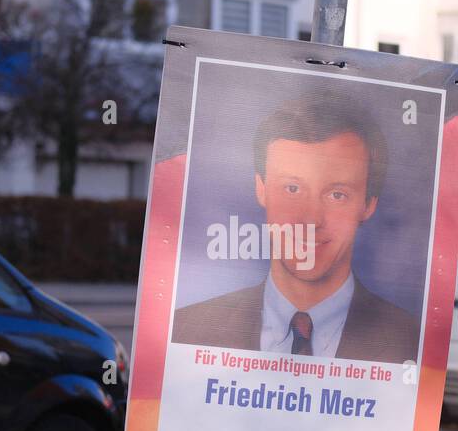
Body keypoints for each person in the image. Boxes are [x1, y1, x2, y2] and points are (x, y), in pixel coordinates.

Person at [172, 93, 419, 363]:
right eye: (292, 188)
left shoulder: (411, 345)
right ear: (261, 189)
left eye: (337, 194)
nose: (311, 220)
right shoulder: (186, 331)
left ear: (368, 204)